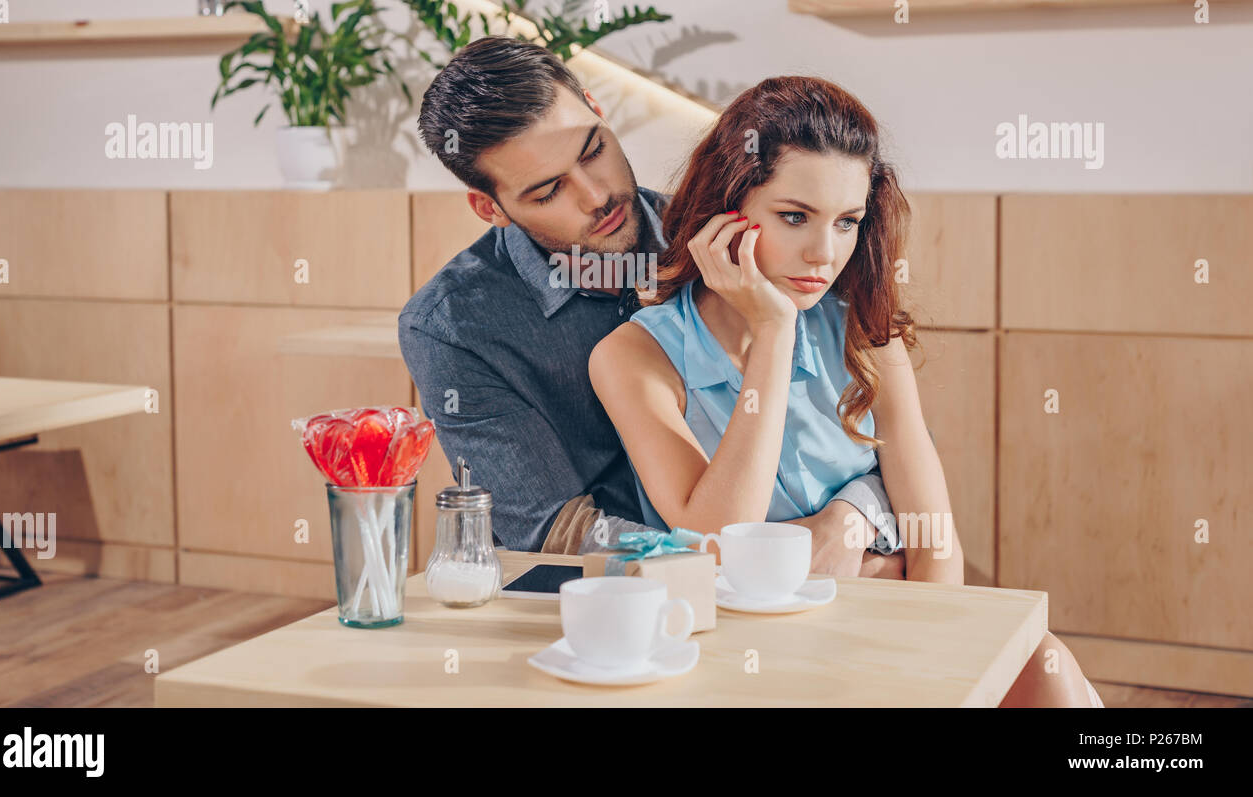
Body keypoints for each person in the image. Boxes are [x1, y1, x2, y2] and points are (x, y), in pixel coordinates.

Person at [588, 75, 1104, 707]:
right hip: (744, 650)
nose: (823, 254)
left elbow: (937, 547)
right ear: (727, 211)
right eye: (795, 217)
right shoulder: (634, 357)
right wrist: (774, 330)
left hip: (882, 624)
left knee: (1047, 664)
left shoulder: (861, 331)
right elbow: (716, 544)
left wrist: (921, 661)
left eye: (847, 222)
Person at [398, 36, 902, 577]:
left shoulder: (730, 235)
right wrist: (774, 557)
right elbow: (555, 533)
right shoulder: (451, 326)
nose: (596, 196)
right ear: (489, 208)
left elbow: (865, 438)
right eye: (548, 191)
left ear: (596, 107)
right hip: (602, 605)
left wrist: (853, 517)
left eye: (593, 151)